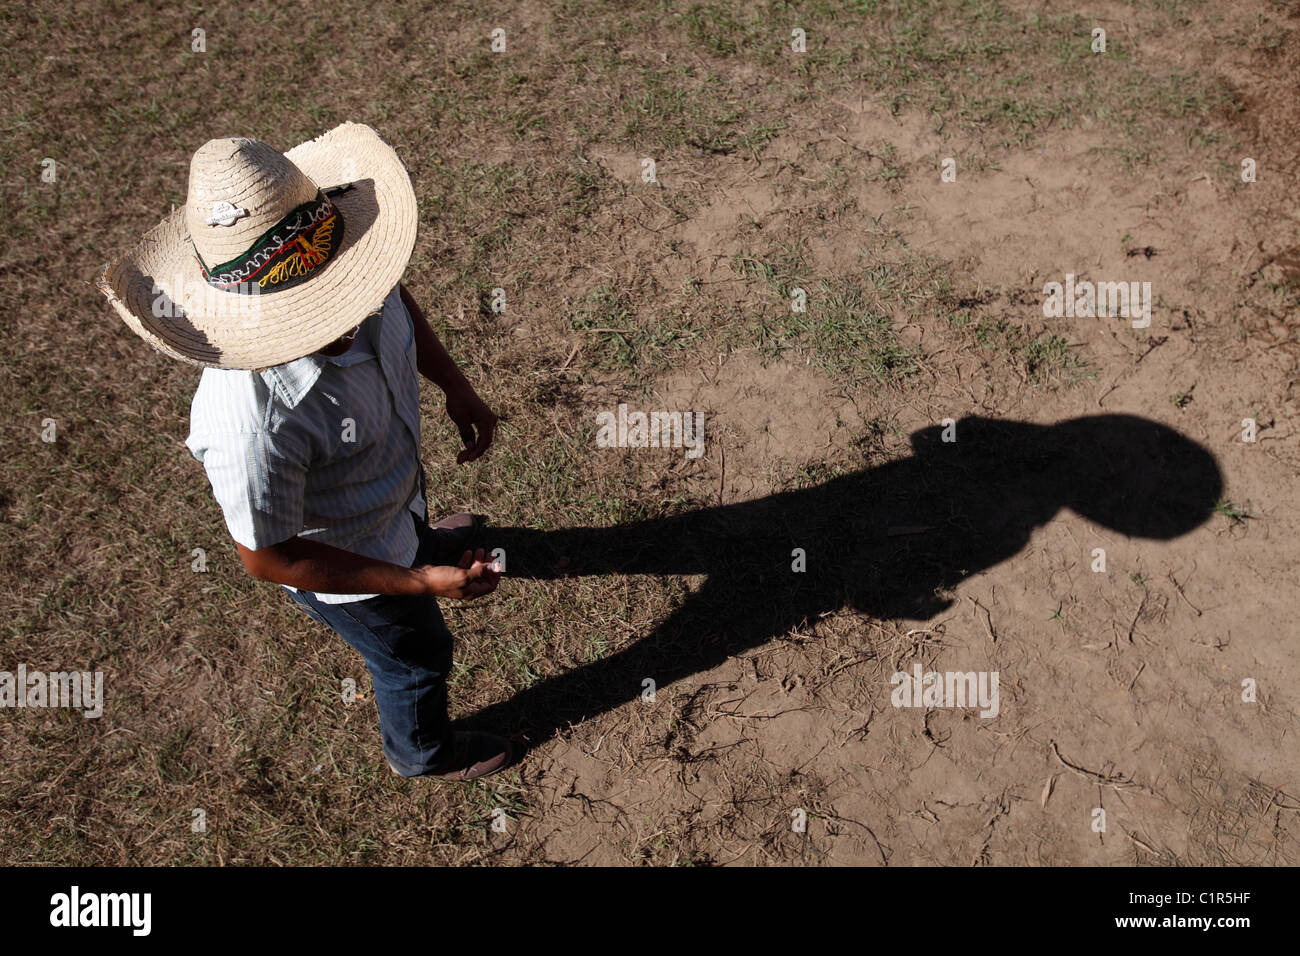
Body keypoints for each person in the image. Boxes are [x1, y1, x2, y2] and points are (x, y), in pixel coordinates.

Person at [97, 123, 513, 780]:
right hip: (355, 571)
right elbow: (271, 557)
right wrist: (413, 582)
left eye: (347, 290)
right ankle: (422, 755)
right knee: (417, 655)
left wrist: (454, 384)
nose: (351, 315)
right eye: (319, 314)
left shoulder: (355, 270)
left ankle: (417, 536)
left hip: (387, 506)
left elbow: (393, 297)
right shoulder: (250, 422)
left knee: (414, 535)